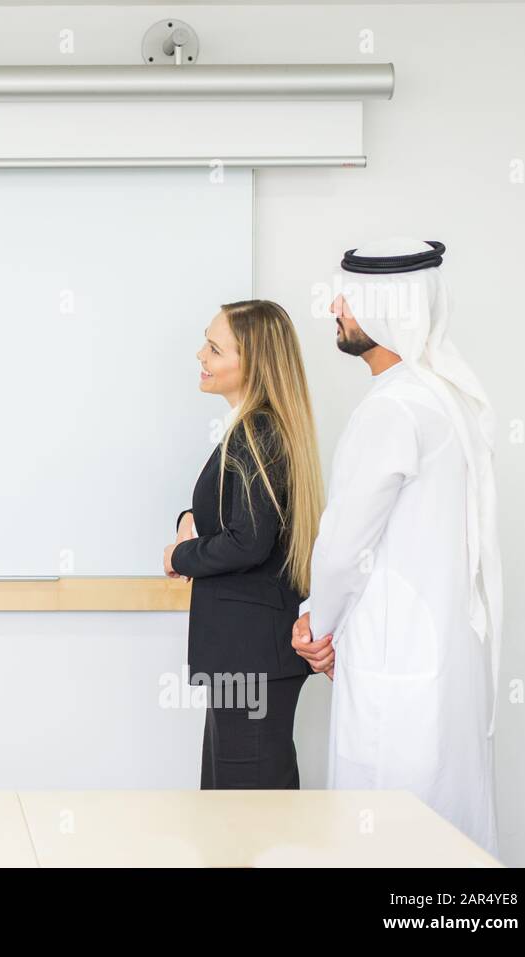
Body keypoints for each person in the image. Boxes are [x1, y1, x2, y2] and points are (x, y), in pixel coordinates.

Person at [292, 238, 502, 855]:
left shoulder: (396, 409)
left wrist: (316, 623)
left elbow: (342, 545)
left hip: (398, 653)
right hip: (433, 654)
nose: (335, 306)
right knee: (441, 832)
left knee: (389, 839)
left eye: (349, 299)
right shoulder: (443, 400)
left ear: (390, 309)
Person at [164, 300, 323, 789]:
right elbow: (241, 520)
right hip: (247, 653)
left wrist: (180, 556)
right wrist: (192, 518)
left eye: (214, 349)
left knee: (248, 807)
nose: (201, 355)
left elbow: (249, 542)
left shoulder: (258, 431)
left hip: (250, 654)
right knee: (233, 799)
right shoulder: (257, 429)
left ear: (253, 363)